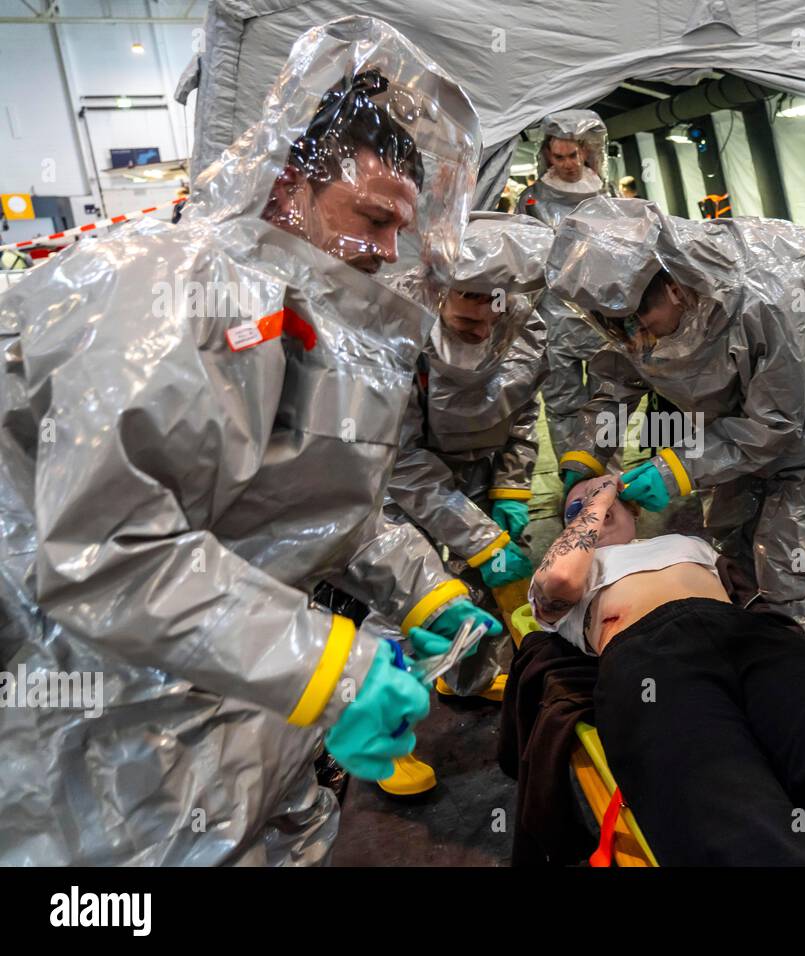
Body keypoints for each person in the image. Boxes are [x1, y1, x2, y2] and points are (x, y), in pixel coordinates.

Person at [0, 17, 484, 865]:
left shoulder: (306, 313)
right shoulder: (167, 288)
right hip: (93, 702)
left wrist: (425, 590)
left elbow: (305, 497)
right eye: (371, 216)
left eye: (400, 231)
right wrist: (330, 666)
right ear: (287, 184)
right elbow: (111, 550)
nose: (383, 250)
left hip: (222, 677)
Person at [525, 475, 805, 867]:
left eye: (606, 504)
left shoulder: (686, 544)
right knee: (726, 811)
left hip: (749, 637)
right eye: (577, 508)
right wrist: (600, 493)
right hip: (649, 656)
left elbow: (756, 604)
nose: (594, 511)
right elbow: (562, 580)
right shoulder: (563, 569)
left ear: (634, 512)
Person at [546, 197, 805, 643]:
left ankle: (801, 680)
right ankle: (746, 662)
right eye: (613, 325)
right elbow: (615, 383)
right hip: (739, 416)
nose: (632, 337)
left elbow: (774, 424)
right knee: (731, 548)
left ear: (673, 284)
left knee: (788, 559)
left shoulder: (774, 295)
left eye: (637, 320)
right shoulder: (623, 313)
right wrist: (587, 456)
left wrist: (676, 469)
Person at [386, 211, 553, 701]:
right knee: (406, 592)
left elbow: (522, 408)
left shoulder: (522, 321)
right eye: (467, 311)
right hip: (405, 477)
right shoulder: (397, 329)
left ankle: (468, 680)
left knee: (478, 580)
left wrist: (511, 486)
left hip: (480, 463)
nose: (483, 324)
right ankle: (388, 721)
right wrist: (481, 538)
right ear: (439, 289)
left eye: (494, 308)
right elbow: (399, 459)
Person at [516, 110, 621, 462]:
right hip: (555, 320)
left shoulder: (609, 197)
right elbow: (524, 257)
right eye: (558, 156)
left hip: (603, 318)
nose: (567, 164)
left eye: (572, 155)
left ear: (587, 152)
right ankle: (574, 477)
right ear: (546, 154)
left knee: (609, 401)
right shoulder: (532, 201)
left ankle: (608, 476)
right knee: (562, 405)